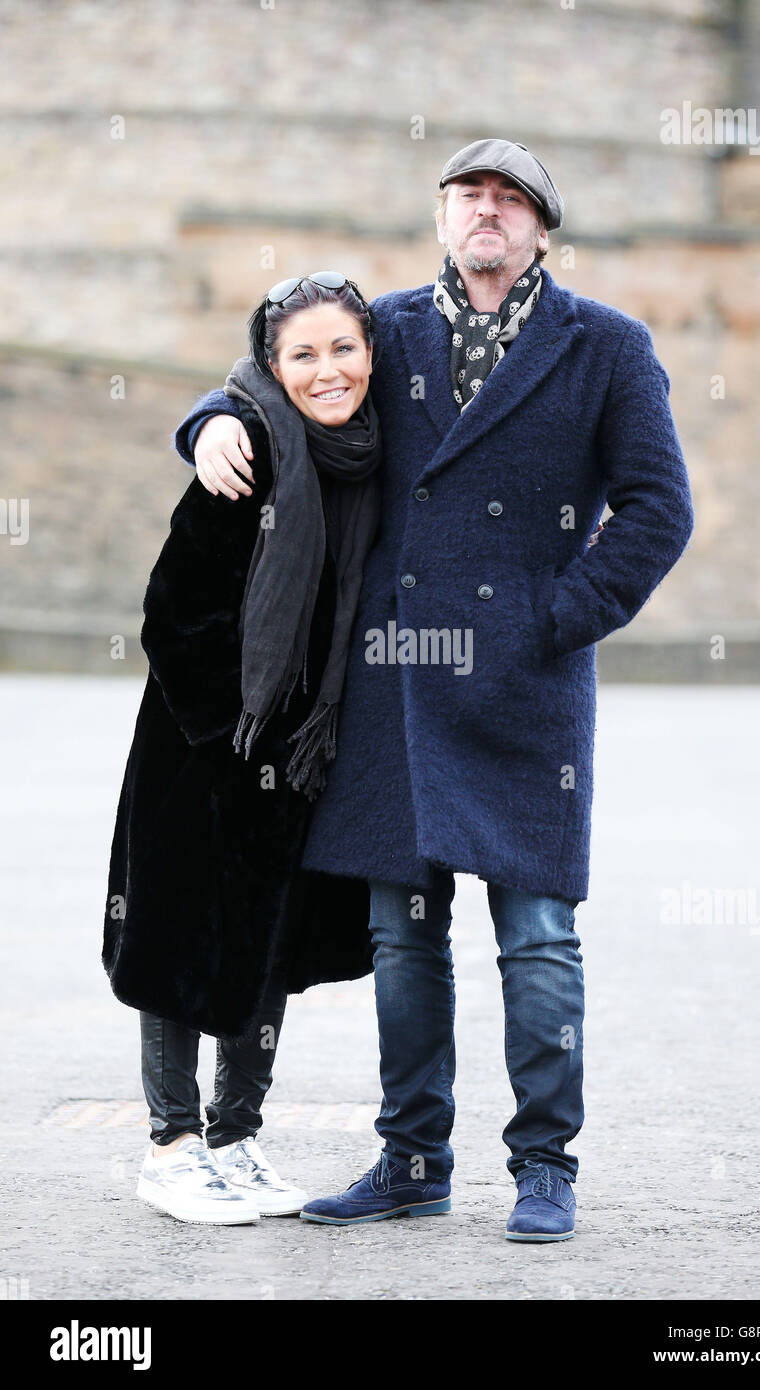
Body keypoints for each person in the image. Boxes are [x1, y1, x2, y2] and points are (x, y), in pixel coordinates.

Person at [172, 138, 695, 1241]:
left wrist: (554, 619)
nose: (487, 211)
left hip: (528, 687)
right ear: (443, 215)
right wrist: (211, 418)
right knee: (405, 940)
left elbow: (659, 509)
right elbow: (285, 377)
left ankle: (544, 1166)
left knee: (537, 937)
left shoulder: (607, 346)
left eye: (510, 198)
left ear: (541, 227)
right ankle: (413, 1158)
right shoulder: (390, 328)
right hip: (394, 681)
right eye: (469, 195)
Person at [103, 273, 383, 1224]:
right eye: (303, 354)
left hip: (298, 757)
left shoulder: (369, 458)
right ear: (271, 365)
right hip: (205, 749)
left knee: (267, 945)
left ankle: (235, 1138)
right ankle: (172, 1147)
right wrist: (230, 735)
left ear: (372, 355)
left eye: (343, 348)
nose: (327, 370)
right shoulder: (246, 449)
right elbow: (172, 612)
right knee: (181, 939)